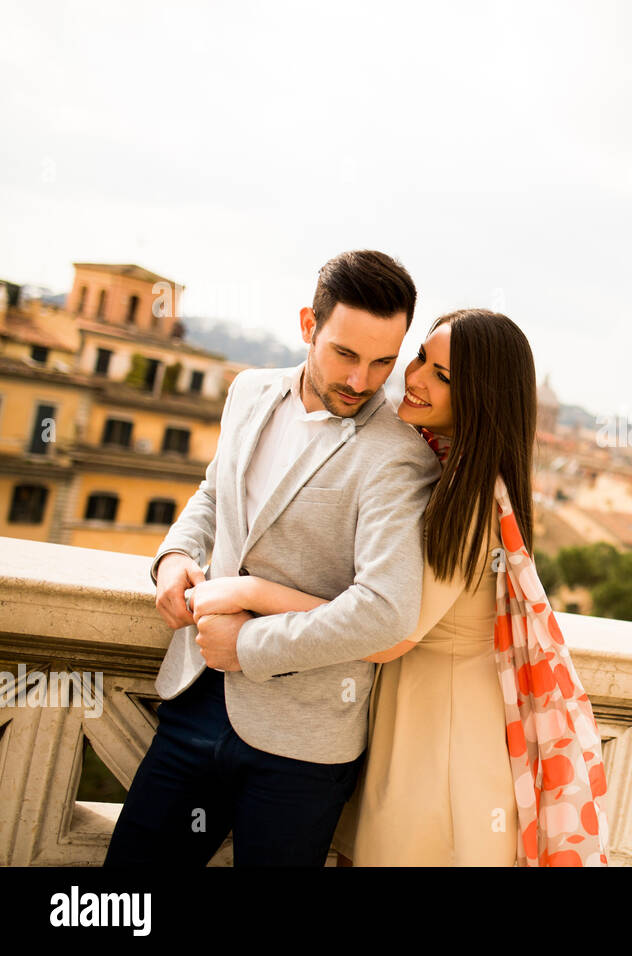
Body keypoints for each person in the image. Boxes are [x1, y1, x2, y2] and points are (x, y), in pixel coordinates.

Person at [186, 309, 610, 866]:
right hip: (421, 713)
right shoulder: (449, 467)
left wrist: (249, 593)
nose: (414, 380)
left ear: (482, 398)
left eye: (444, 377)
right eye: (420, 360)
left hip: (441, 735)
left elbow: (391, 634)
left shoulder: (469, 496)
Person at [104, 250, 437, 867]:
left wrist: (251, 645)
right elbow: (214, 493)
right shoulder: (249, 391)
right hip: (194, 698)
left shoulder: (401, 456)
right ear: (309, 325)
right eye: (345, 353)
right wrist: (176, 553)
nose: (362, 381)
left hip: (303, 747)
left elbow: (386, 612)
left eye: (383, 362)